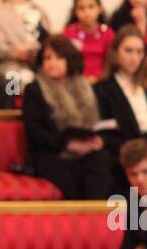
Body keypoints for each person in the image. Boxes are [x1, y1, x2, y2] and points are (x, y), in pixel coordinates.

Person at [22, 34, 115, 199]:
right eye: (47, 58)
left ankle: (99, 219)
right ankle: (84, 220)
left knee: (103, 160)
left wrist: (99, 141)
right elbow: (34, 133)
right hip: (52, 153)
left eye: (58, 57)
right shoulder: (34, 90)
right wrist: (68, 144)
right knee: (77, 170)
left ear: (70, 59)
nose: (51, 63)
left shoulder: (85, 86)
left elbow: (101, 124)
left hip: (87, 148)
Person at [93, 25, 147, 187]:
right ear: (115, 53)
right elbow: (105, 134)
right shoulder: (103, 89)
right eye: (128, 51)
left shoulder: (144, 87)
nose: (134, 57)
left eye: (139, 52)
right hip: (125, 155)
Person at [63, 0, 113, 81]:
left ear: (100, 8)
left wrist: (98, 79)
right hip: (75, 80)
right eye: (81, 8)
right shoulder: (69, 32)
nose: (86, 12)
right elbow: (65, 62)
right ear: (75, 11)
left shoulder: (107, 33)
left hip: (102, 80)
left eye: (91, 7)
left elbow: (110, 63)